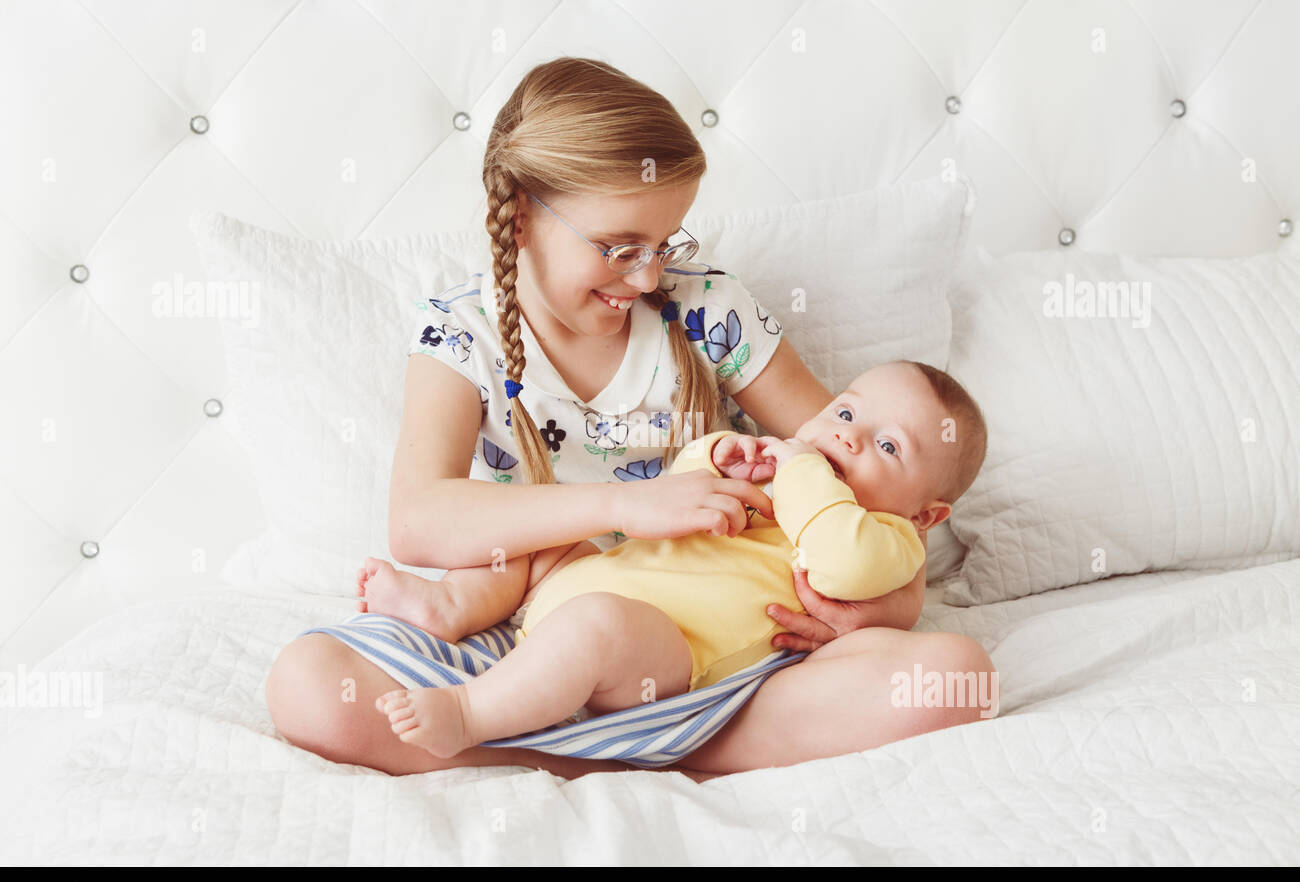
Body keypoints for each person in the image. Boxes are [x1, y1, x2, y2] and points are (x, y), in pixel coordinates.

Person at [264, 56, 995, 780]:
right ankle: (578, 736)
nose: (647, 277)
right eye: (620, 248)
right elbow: (418, 520)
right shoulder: (460, 337)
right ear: (519, 214)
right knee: (307, 685)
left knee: (956, 676)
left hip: (719, 653)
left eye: (665, 243)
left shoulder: (709, 310)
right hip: (534, 638)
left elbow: (858, 482)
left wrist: (874, 611)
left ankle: (597, 746)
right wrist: (628, 504)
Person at [365, 360, 988, 759]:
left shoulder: (886, 534)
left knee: (598, 627)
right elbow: (679, 484)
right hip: (587, 574)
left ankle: (469, 714)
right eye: (845, 412)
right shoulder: (783, 473)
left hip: (662, 649)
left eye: (885, 445)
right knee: (534, 528)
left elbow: (843, 562)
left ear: (925, 516)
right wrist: (716, 460)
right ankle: (448, 606)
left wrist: (800, 471)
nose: (846, 435)